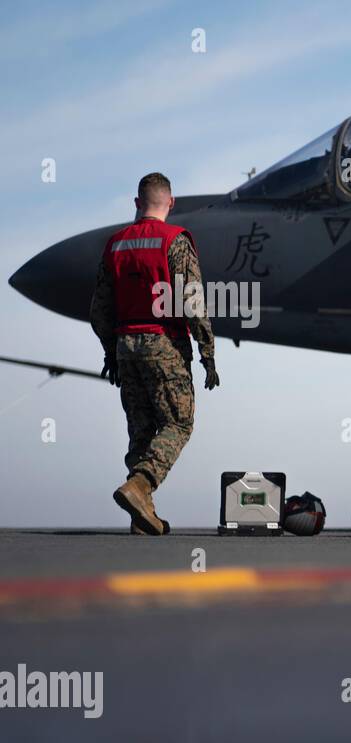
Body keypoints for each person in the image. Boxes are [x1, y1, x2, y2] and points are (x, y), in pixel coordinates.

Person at [90, 172, 217, 535]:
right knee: (178, 423)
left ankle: (142, 517)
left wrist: (110, 353)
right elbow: (192, 302)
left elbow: (99, 310)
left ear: (136, 203)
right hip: (164, 344)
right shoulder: (174, 241)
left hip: (126, 347)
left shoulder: (115, 244)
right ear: (171, 203)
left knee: (142, 430)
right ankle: (141, 484)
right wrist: (207, 352)